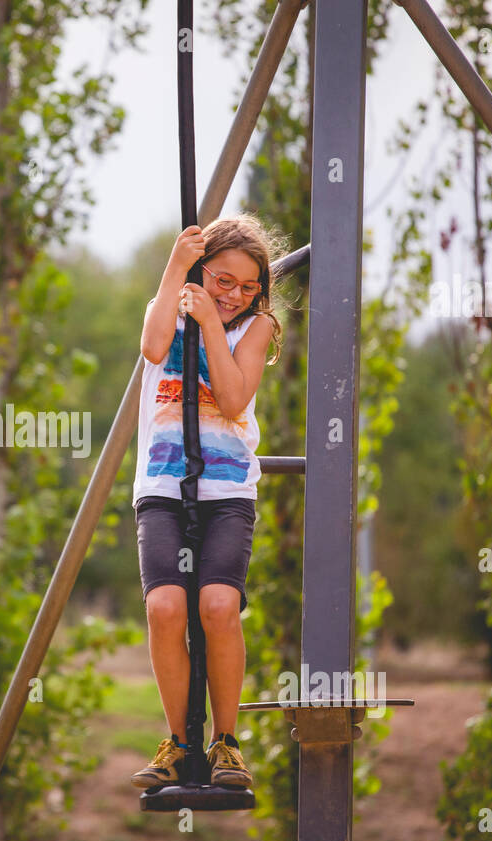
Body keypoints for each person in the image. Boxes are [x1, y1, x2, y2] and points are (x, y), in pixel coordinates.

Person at [129, 212, 285, 791]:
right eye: (222, 281)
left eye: (248, 287)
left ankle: (226, 742)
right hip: (164, 486)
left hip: (225, 491)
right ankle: (178, 740)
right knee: (166, 607)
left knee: (218, 606)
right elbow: (152, 346)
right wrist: (176, 270)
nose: (236, 295)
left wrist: (215, 324)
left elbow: (232, 394)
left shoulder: (256, 328)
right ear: (200, 273)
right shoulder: (168, 306)